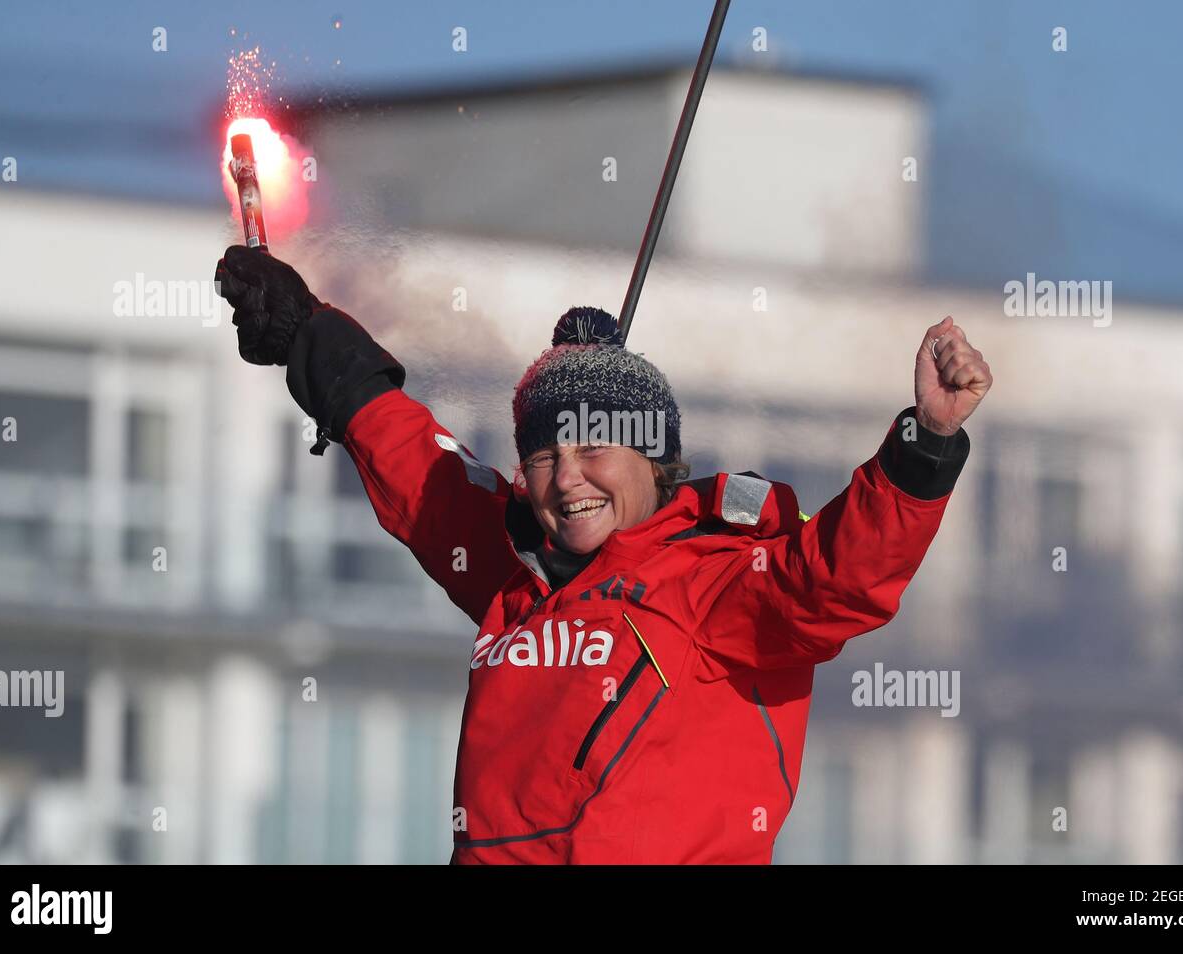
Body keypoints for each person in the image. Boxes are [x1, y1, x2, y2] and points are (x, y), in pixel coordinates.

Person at [214, 245, 993, 864]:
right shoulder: (512, 566)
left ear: (656, 464)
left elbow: (835, 579)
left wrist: (925, 443)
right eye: (545, 454)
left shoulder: (715, 580)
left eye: (595, 447)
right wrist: (308, 335)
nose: (568, 477)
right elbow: (423, 470)